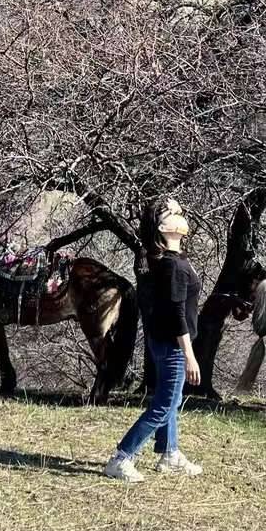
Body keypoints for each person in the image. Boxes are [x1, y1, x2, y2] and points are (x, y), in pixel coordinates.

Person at [104, 198, 203, 481]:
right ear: (162, 227)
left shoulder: (172, 261)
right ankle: (121, 458)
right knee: (163, 405)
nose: (181, 214)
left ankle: (169, 453)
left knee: (169, 401)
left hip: (164, 343)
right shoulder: (172, 267)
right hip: (173, 346)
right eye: (173, 213)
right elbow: (177, 315)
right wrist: (189, 355)